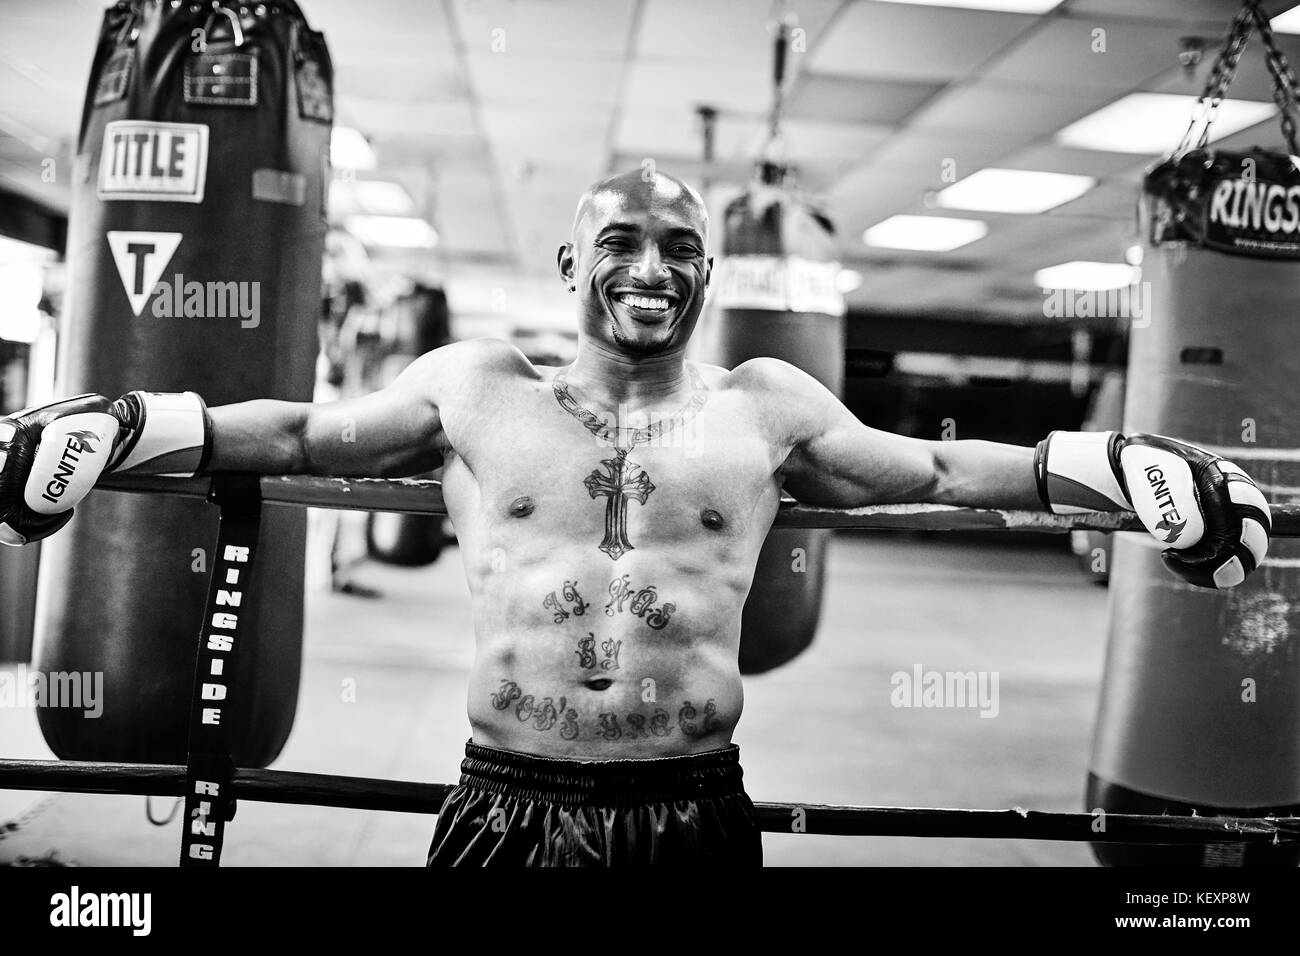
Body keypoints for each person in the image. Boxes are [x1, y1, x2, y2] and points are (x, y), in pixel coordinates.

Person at [0, 169, 1273, 866]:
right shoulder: (475, 385)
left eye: (679, 246)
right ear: (573, 266)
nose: (651, 267)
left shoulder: (767, 401)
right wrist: (135, 421)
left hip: (691, 807)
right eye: (621, 240)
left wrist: (1101, 463)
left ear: (710, 274)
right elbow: (300, 432)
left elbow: (932, 473)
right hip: (506, 803)